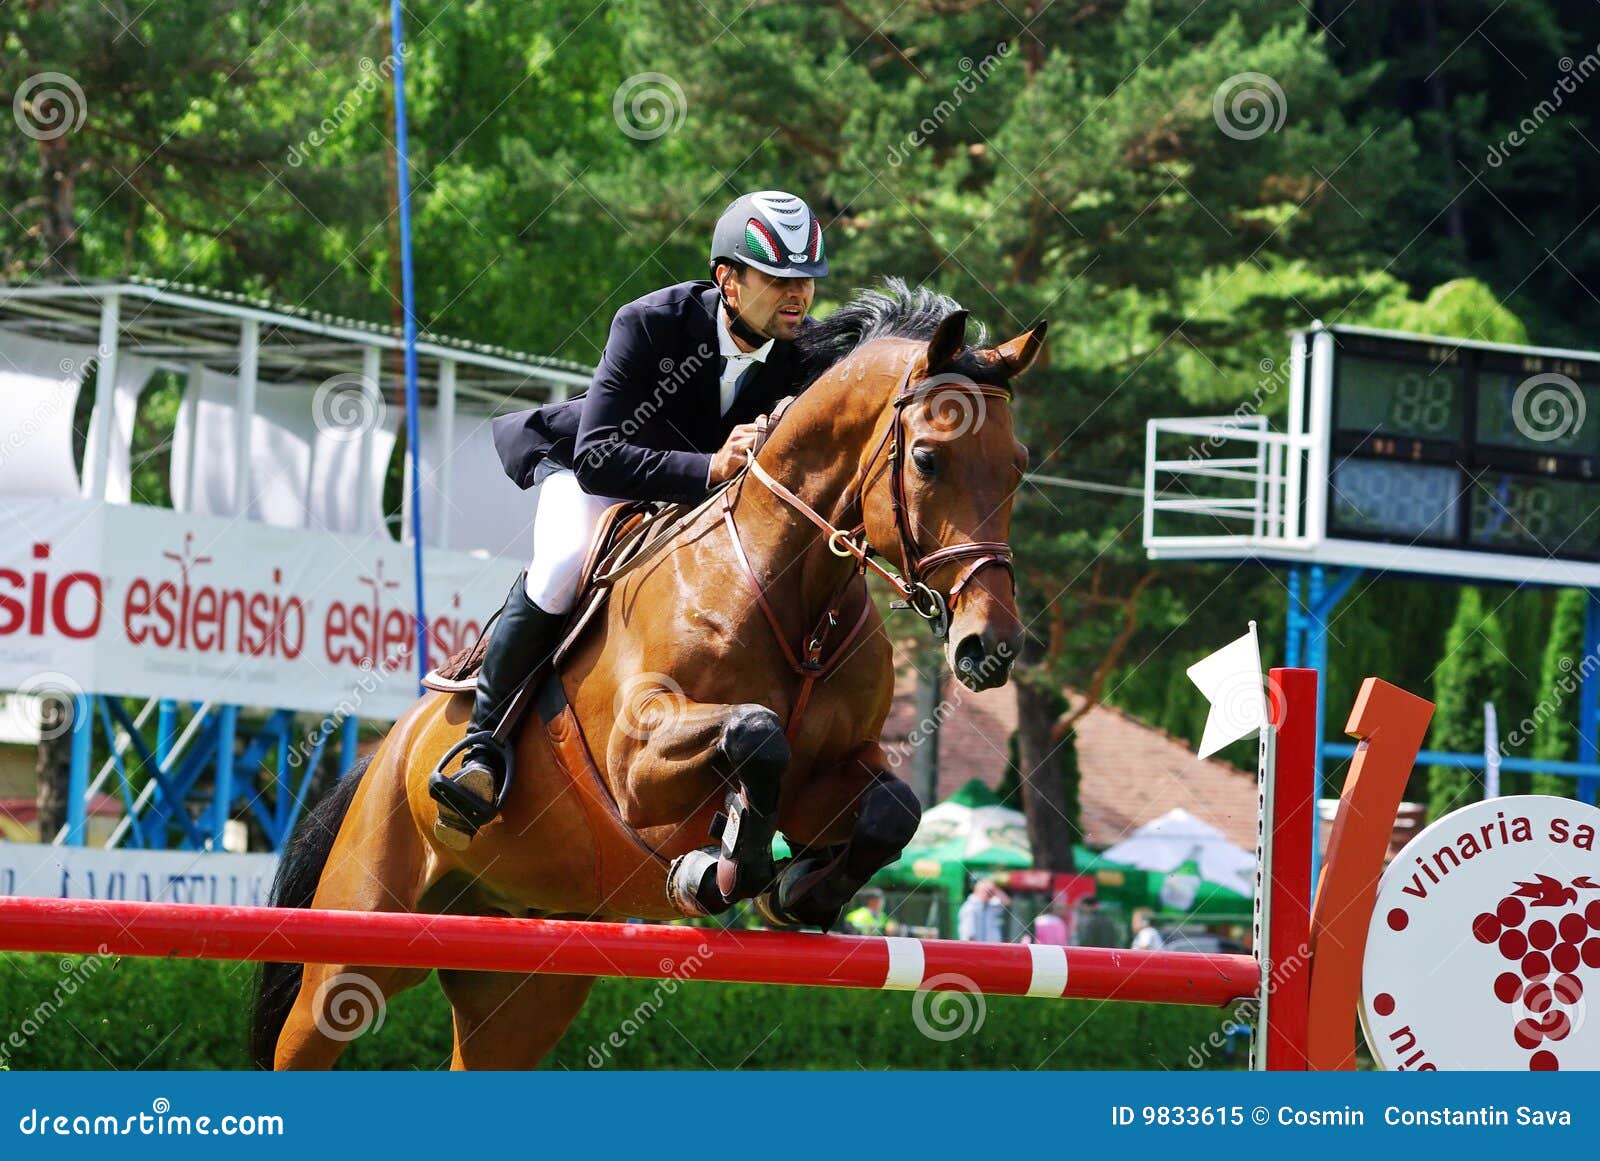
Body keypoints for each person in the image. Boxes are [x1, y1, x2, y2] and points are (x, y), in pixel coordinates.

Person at [428, 190, 830, 849]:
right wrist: (707, 467)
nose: (800, 297)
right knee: (560, 565)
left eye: (807, 282)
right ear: (727, 278)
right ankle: (483, 748)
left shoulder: (803, 355)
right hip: (598, 474)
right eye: (781, 280)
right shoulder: (650, 322)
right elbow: (598, 456)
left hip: (699, 506)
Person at [957, 878, 1011, 943]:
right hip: (978, 949)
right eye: (988, 892)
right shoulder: (969, 908)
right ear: (979, 891)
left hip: (992, 948)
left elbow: (1006, 902)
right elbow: (969, 934)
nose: (991, 895)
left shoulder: (989, 906)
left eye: (991, 892)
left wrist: (995, 889)